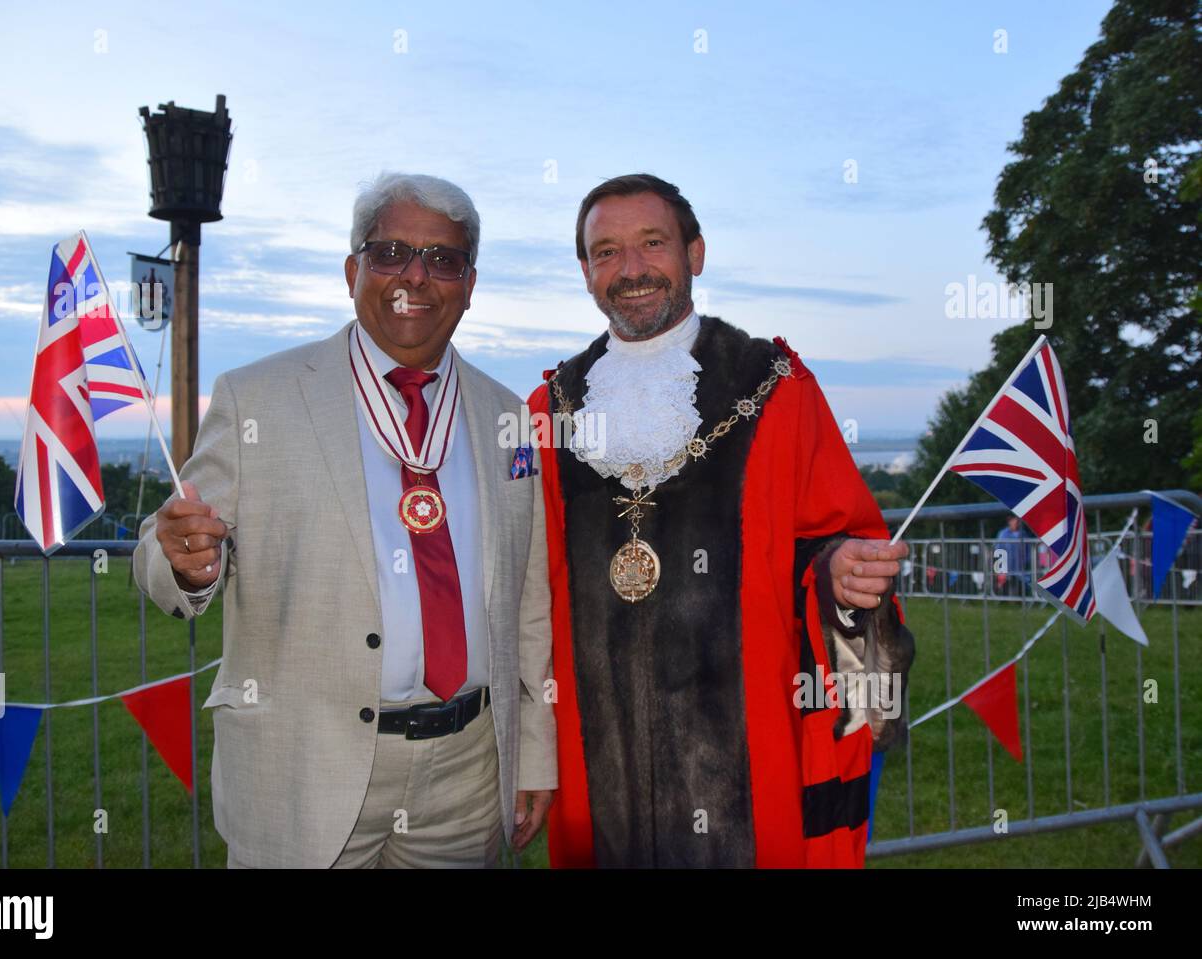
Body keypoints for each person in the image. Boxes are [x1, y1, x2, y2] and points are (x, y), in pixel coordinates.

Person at [134, 172, 557, 868]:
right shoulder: (258, 398)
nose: (415, 277)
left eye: (442, 260)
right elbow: (163, 546)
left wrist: (534, 752)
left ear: (470, 284)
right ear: (352, 269)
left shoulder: (509, 417)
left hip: (467, 775)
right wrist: (178, 558)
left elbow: (528, 603)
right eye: (391, 252)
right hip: (304, 771)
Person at [526, 174, 915, 867]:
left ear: (695, 253)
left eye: (653, 243)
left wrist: (838, 573)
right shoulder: (548, 410)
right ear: (585, 272)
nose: (632, 269)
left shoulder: (775, 389)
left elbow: (834, 537)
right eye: (606, 251)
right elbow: (528, 590)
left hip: (745, 755)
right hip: (596, 757)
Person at [994, 514, 1029, 596]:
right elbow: (999, 549)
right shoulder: (1003, 534)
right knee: (1005, 583)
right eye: (1015, 520)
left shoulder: (1023, 533)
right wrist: (1000, 566)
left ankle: (1019, 599)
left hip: (1020, 564)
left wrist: (1026, 560)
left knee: (1020, 582)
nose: (1017, 523)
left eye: (1018, 521)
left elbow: (1028, 550)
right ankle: (1004, 599)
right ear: (1010, 521)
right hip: (1006, 563)